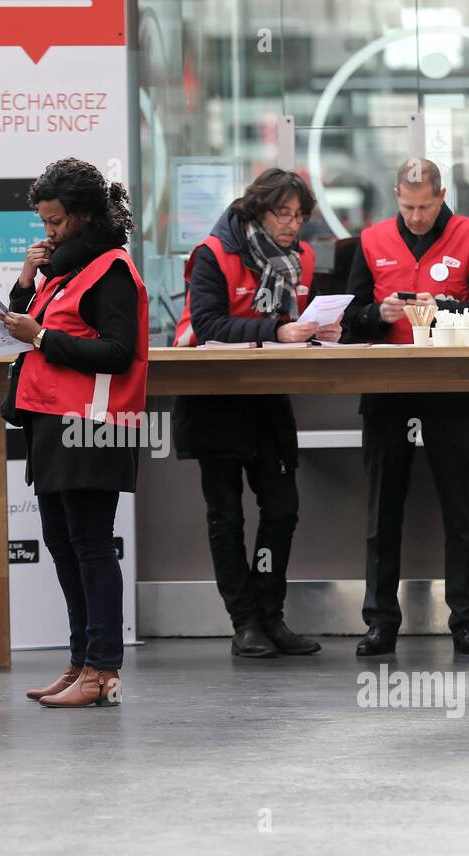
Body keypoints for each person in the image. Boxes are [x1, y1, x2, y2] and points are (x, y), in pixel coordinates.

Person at [0, 157, 148, 708]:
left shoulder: (111, 269)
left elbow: (117, 351)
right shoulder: (62, 270)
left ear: (84, 215)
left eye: (55, 221)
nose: (48, 231)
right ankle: (81, 659)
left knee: (89, 545)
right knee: (64, 544)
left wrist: (40, 338)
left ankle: (102, 669)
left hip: (92, 426)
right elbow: (23, 332)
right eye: (43, 222)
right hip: (51, 421)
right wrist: (23, 283)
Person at [341, 158, 469, 658]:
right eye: (407, 206)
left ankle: (467, 622)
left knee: (461, 511)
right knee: (381, 513)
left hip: (451, 390)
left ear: (442, 195)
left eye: (425, 207)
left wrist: (446, 309)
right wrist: (377, 312)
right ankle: (379, 622)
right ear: (396, 196)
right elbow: (348, 320)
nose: (415, 216)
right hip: (387, 390)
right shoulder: (369, 242)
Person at [170, 168, 330, 658]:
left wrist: (318, 332)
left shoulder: (302, 257)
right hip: (214, 399)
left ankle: (270, 613)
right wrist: (277, 331)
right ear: (257, 209)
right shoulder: (213, 253)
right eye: (283, 213)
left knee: (282, 509)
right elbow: (207, 323)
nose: (292, 224)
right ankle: (245, 622)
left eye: (300, 215)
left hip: (269, 397)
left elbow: (295, 322)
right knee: (226, 518)